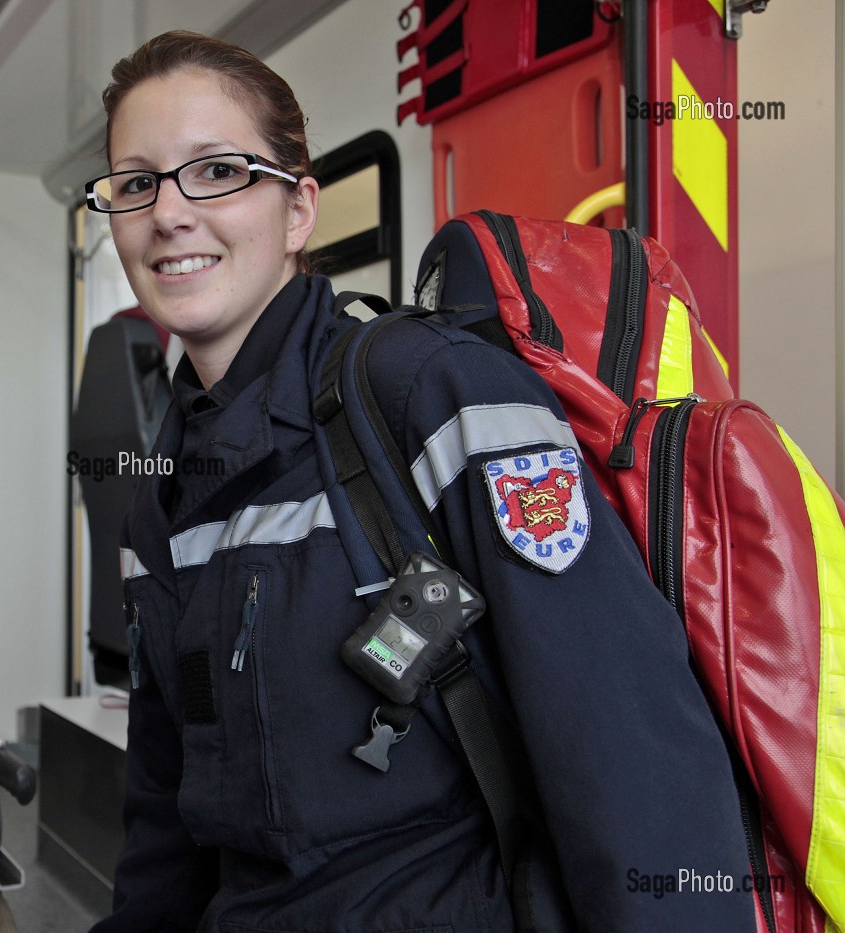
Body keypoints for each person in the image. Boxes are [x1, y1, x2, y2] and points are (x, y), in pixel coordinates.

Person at [86, 31, 757, 933]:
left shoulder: (425, 394)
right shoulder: (160, 498)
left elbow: (628, 751)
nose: (169, 212)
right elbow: (167, 821)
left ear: (297, 211)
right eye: (136, 183)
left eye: (216, 171)